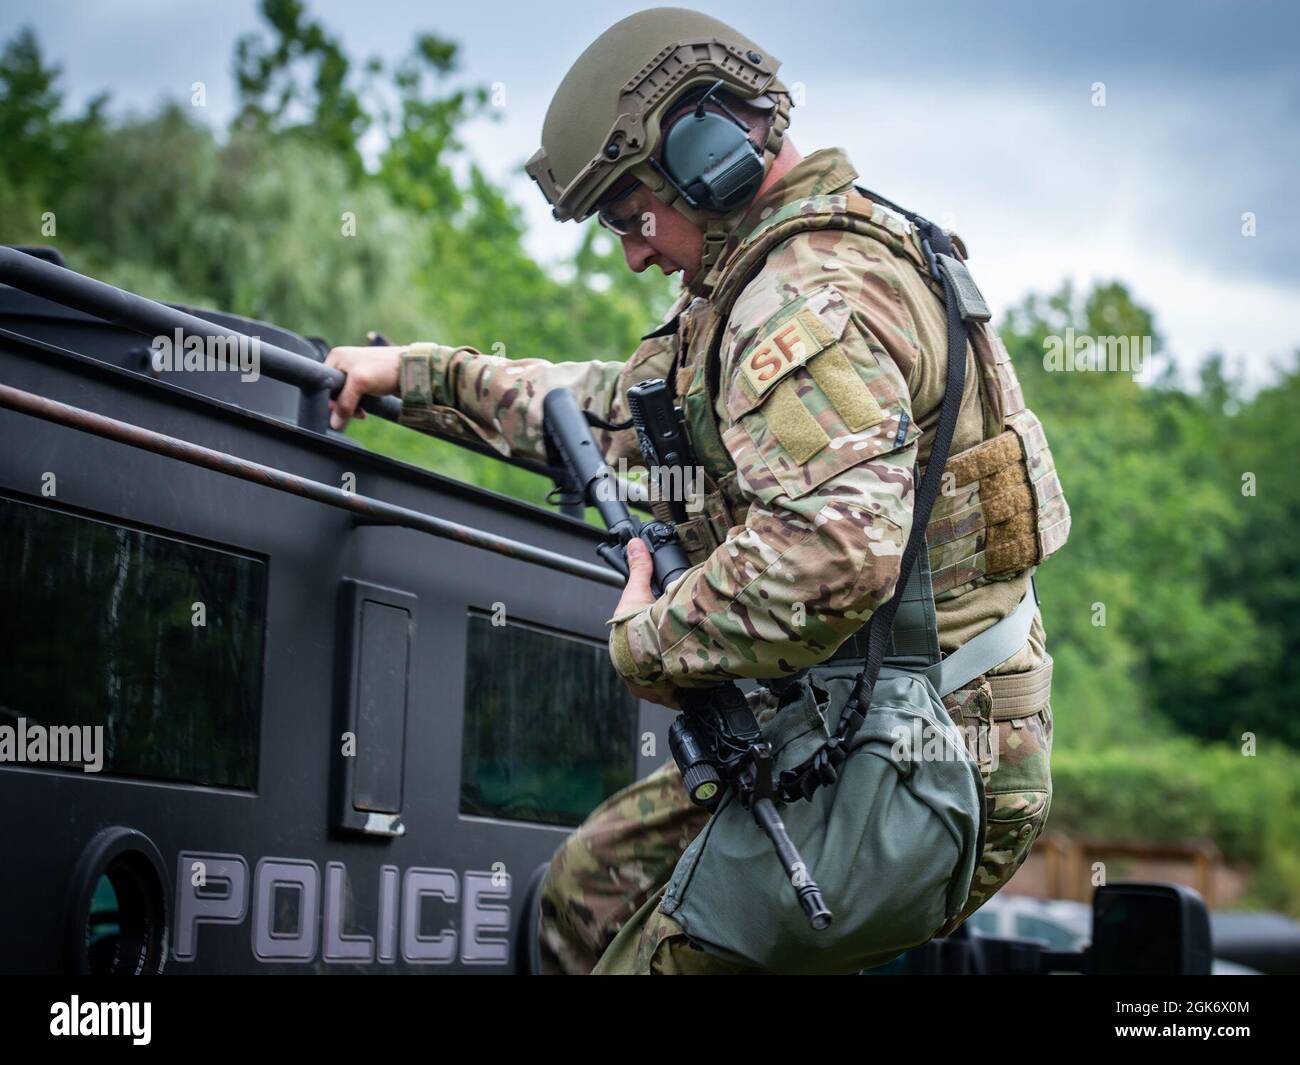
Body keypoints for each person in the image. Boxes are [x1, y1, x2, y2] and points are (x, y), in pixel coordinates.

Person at [325, 7, 1070, 975]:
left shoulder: (804, 302)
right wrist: (416, 379)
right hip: (855, 722)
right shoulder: (768, 280)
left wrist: (649, 640)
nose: (633, 252)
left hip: (923, 760)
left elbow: (827, 558)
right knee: (580, 904)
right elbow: (609, 415)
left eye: (631, 213)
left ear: (706, 152)